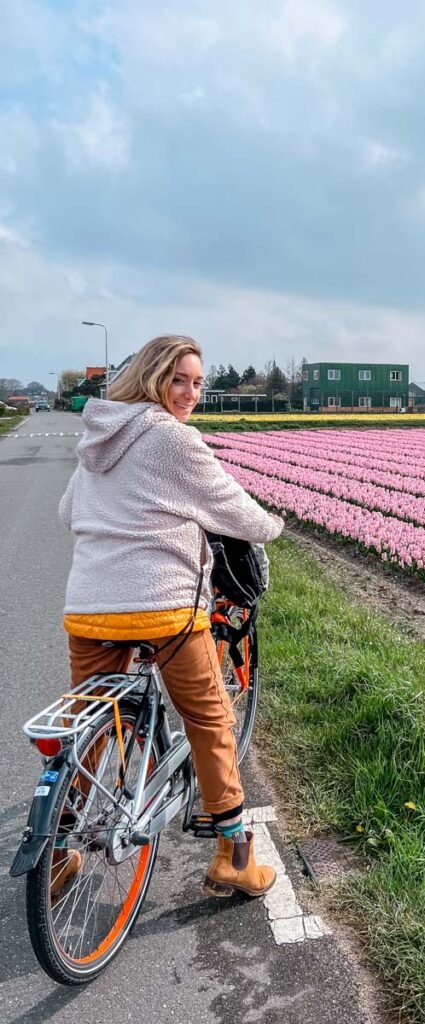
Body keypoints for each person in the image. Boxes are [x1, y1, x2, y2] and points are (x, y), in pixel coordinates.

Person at [56, 334, 283, 899]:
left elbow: (68, 512)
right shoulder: (171, 439)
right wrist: (273, 526)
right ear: (151, 378)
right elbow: (234, 511)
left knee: (90, 727)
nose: (189, 393)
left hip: (89, 607)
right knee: (210, 718)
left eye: (197, 382)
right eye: (178, 379)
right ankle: (233, 858)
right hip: (163, 608)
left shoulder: (100, 436)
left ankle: (58, 849)